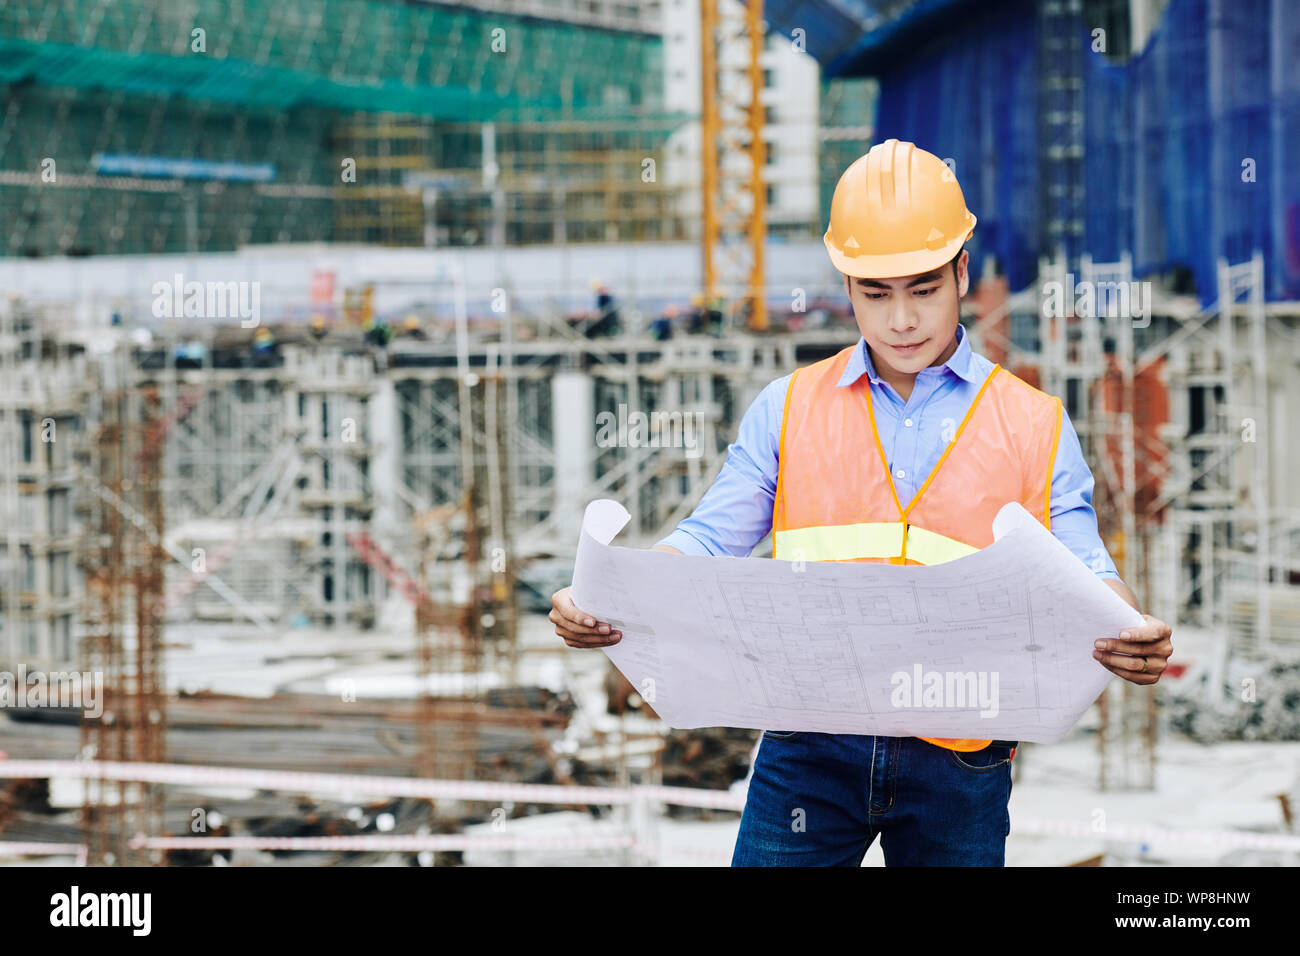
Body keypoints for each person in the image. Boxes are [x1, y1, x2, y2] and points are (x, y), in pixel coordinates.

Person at [550, 139, 1173, 866]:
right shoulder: (788, 408)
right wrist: (618, 596)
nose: (902, 320)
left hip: (960, 757)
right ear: (846, 285)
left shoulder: (1034, 423)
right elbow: (711, 537)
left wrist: (1126, 628)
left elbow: (1084, 563)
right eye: (876, 294)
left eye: (923, 289)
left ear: (962, 273)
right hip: (810, 744)